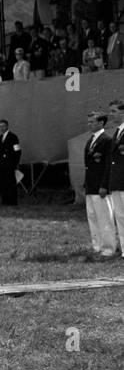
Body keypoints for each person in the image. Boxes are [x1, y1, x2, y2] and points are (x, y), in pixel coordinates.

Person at [83, 112, 116, 259]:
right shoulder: (91, 140)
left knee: (104, 218)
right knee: (93, 217)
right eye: (89, 121)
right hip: (90, 186)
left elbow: (108, 165)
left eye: (92, 122)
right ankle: (97, 246)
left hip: (100, 187)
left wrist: (104, 185)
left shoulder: (106, 140)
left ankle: (109, 248)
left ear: (101, 123)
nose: (89, 124)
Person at [106, 101, 124, 259]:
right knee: (120, 217)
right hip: (117, 182)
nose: (111, 114)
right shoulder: (117, 132)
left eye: (114, 111)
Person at [0, 119, 21, 205]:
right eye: (0, 127)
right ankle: (5, 201)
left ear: (7, 126)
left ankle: (12, 201)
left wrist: (15, 163)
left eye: (3, 126)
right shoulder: (0, 138)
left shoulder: (13, 137)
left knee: (11, 183)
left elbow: (18, 151)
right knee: (3, 183)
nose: (2, 128)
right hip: (2, 164)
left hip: (10, 164)